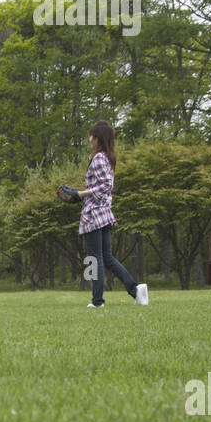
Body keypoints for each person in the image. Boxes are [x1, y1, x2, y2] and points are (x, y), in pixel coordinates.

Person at [77, 121, 147, 308]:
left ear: (97, 138)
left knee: (94, 258)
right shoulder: (107, 157)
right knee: (107, 258)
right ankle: (135, 290)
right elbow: (104, 185)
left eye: (91, 135)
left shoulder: (99, 158)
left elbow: (106, 185)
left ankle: (97, 301)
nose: (89, 139)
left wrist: (80, 193)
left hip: (94, 215)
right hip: (104, 214)